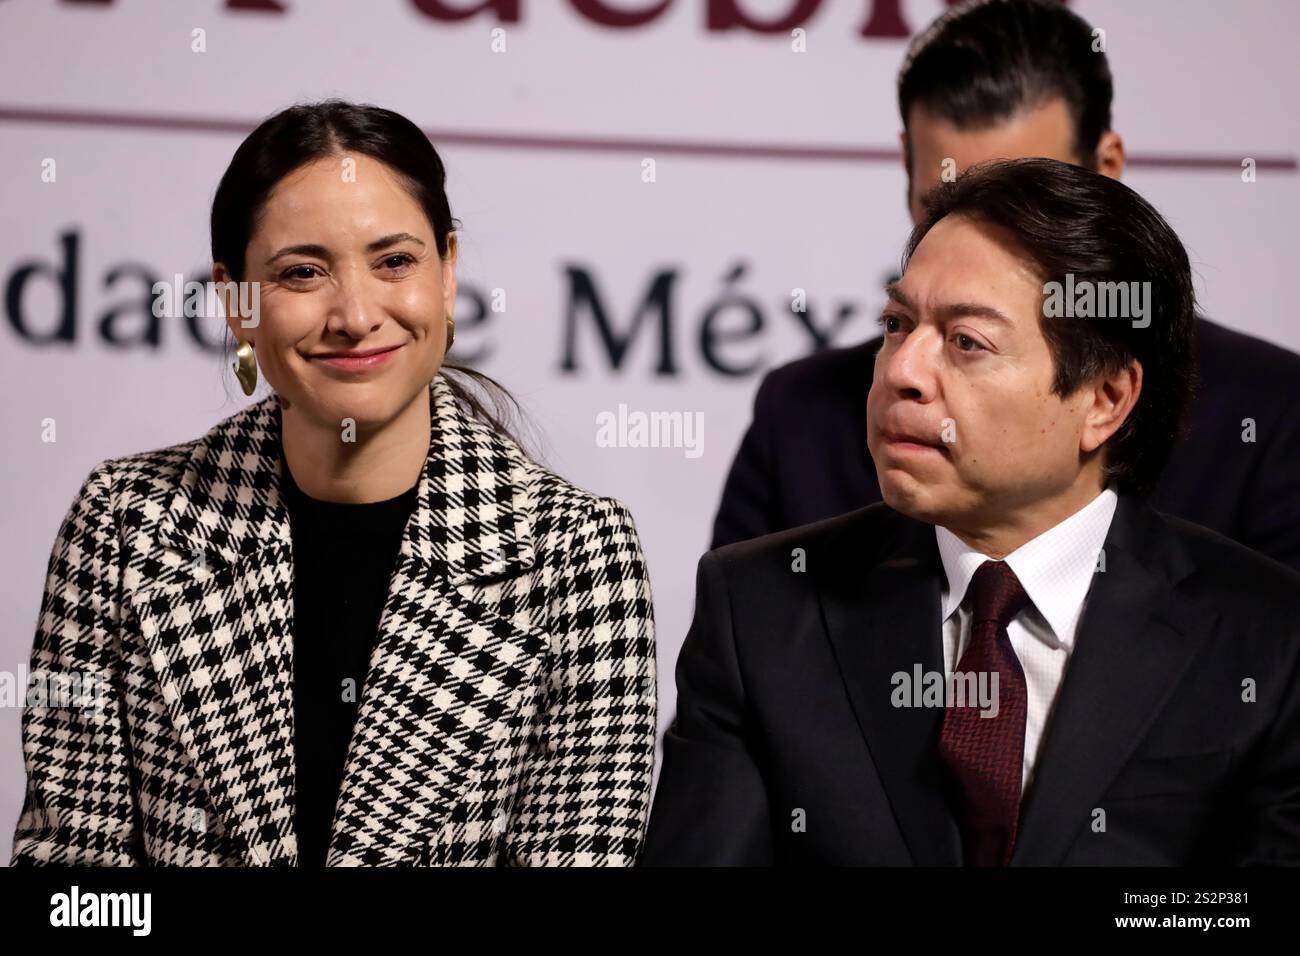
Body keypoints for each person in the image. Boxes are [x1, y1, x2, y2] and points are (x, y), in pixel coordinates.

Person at [11, 100, 657, 867]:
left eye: (394, 262)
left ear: (447, 273)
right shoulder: (123, 525)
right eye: (303, 273)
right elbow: (70, 879)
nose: (354, 314)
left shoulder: (576, 554)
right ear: (235, 300)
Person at [643, 158, 1300, 866]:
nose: (901, 372)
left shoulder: (1268, 636)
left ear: (1105, 400)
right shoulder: (761, 608)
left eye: (966, 343)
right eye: (898, 324)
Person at [710, 0, 1300, 572]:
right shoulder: (799, 421)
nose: (906, 374)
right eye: (945, 204)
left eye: (1030, 206)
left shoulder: (1271, 416)